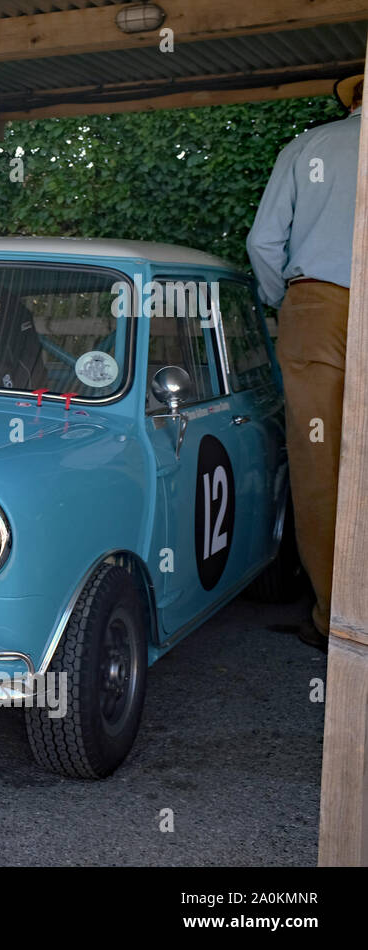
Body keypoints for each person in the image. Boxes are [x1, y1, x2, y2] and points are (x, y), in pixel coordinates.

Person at [246, 73, 363, 654]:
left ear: (354, 96)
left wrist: (283, 300)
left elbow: (264, 244)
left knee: (320, 463)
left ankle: (334, 617)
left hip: (318, 305)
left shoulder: (309, 147)